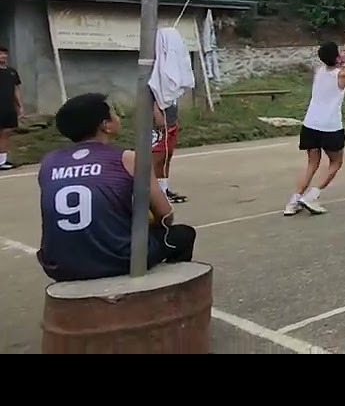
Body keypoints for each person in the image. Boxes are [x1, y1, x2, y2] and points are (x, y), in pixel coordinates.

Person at [36, 92, 197, 282]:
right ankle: (165, 294)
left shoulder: (49, 162)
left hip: (58, 265)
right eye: (113, 113)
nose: (117, 117)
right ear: (106, 125)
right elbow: (165, 215)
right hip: (118, 259)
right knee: (183, 235)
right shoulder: (128, 159)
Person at [285, 26, 345, 216]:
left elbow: (340, 54)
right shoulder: (342, 74)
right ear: (336, 59)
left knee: (312, 164)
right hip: (330, 127)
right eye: (339, 53)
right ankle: (311, 196)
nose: (342, 53)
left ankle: (293, 202)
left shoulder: (320, 70)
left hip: (310, 125)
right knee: (335, 163)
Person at [150, 93, 186, 203]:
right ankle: (154, 193)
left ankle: (163, 189)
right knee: (157, 158)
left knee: (166, 157)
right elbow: (152, 96)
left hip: (170, 123)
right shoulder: (155, 79)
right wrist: (157, 116)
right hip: (160, 125)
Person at [0, 46, 23, 171]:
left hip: (8, 107)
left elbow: (16, 89)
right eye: (0, 54)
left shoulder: (12, 71)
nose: (2, 56)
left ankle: (2, 161)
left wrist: (20, 106)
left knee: (6, 133)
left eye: (4, 54)